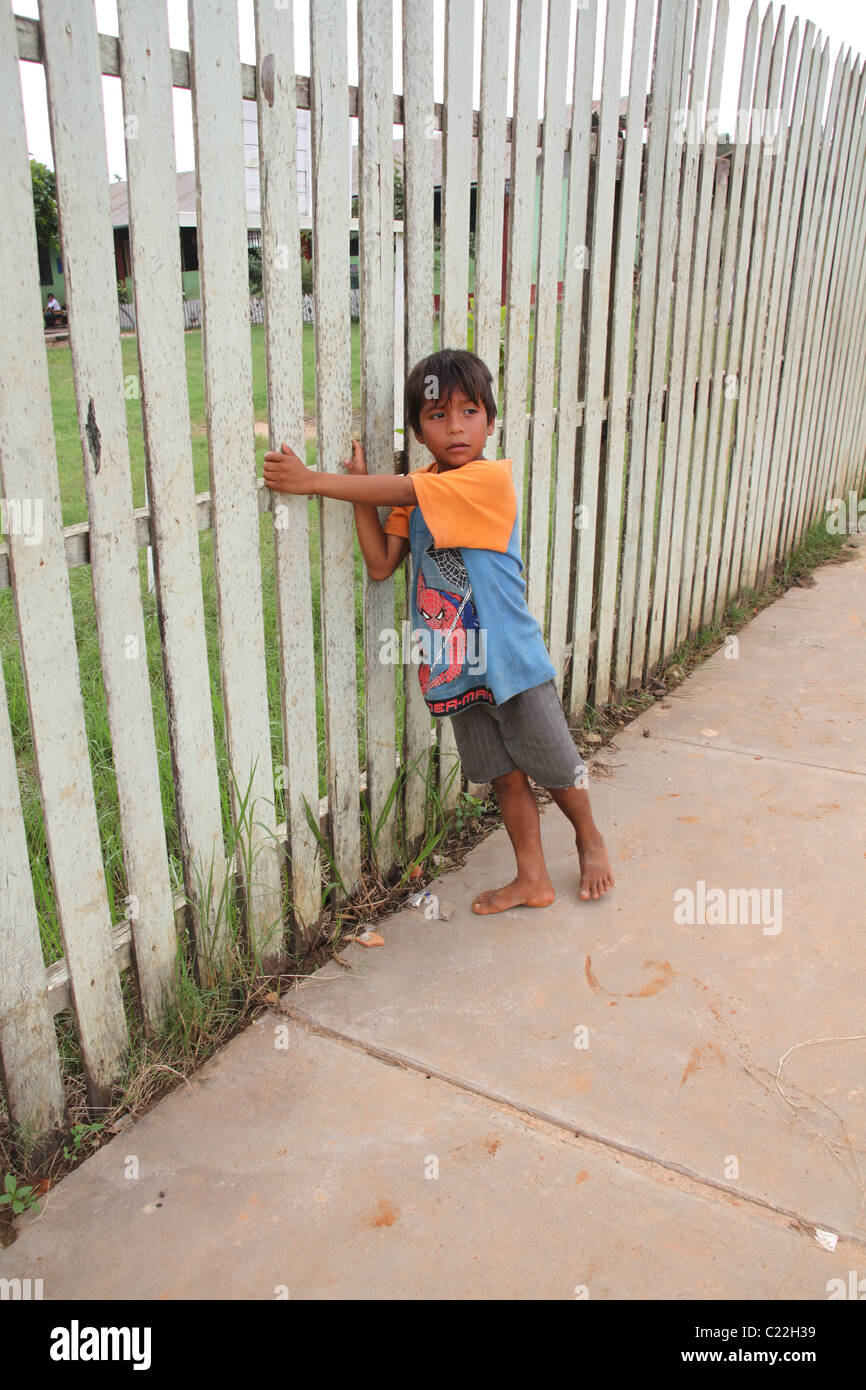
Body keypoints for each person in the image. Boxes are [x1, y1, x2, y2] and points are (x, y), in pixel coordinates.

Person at [263, 347, 614, 912]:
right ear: (419, 430)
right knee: (501, 774)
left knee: (555, 762)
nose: (455, 427)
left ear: (491, 421)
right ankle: (533, 879)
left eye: (469, 412)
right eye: (437, 416)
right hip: (455, 662)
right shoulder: (420, 486)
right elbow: (381, 562)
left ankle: (588, 838)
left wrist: (313, 483)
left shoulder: (487, 478)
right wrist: (359, 491)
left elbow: (400, 491)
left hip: (509, 655)